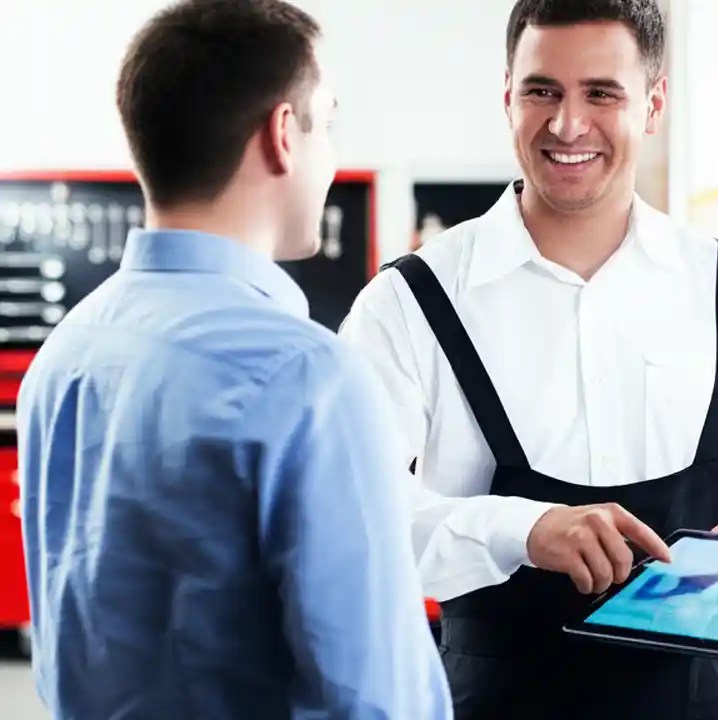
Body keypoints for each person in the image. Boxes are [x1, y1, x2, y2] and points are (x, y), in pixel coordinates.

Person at [338, 0, 718, 718]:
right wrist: (521, 531)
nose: (567, 125)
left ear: (654, 104)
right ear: (506, 94)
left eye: (601, 93)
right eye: (542, 90)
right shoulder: (409, 303)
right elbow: (352, 514)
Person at [16, 1, 451, 718]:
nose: (332, 150)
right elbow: (380, 699)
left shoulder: (65, 357)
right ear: (284, 134)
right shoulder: (309, 379)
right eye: (328, 120)